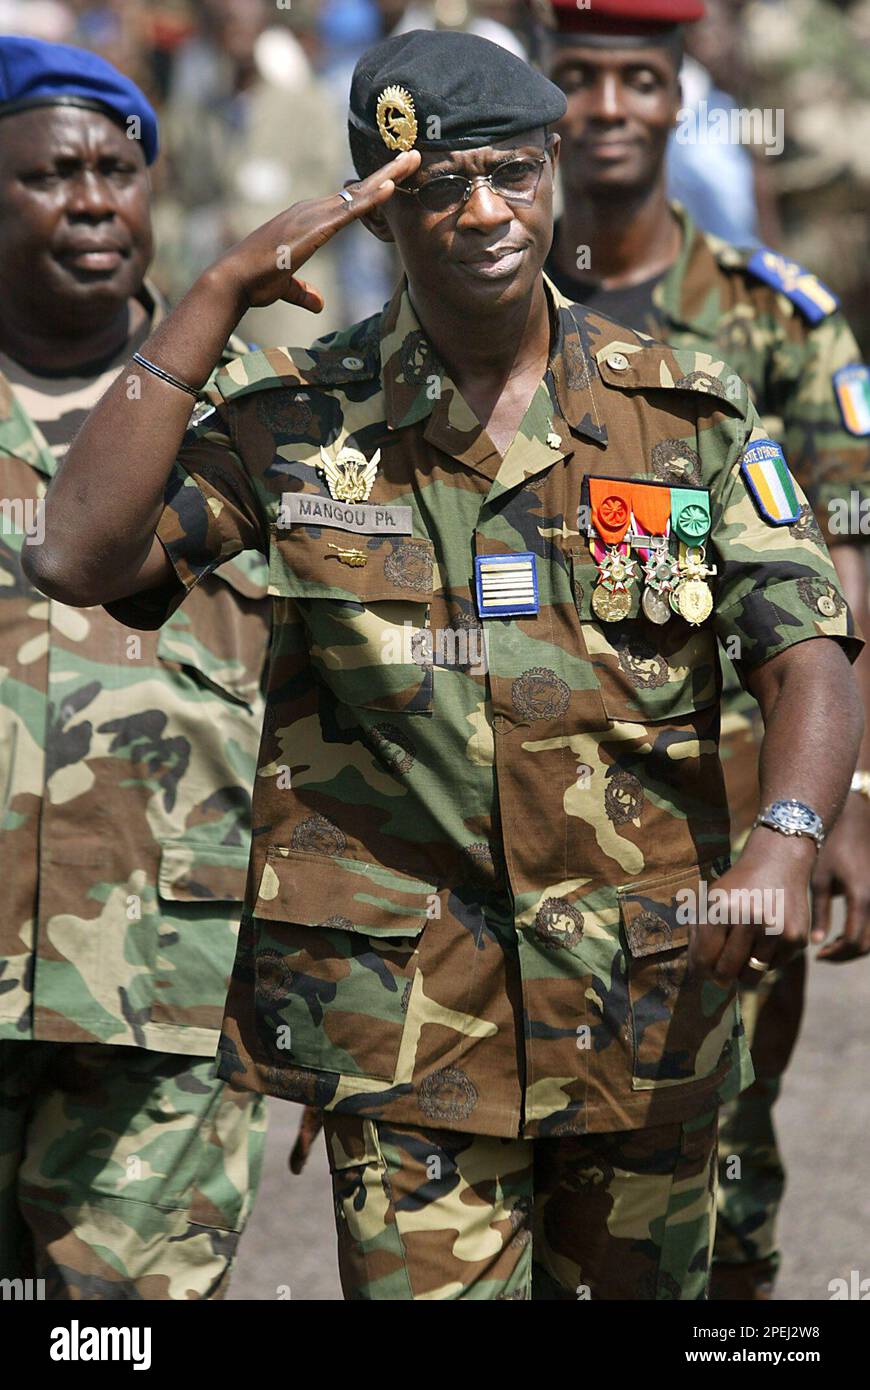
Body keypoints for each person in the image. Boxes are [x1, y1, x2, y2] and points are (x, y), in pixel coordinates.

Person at [26, 29, 864, 1301]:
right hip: (406, 1036)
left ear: (551, 179)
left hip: (642, 1012)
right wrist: (214, 296)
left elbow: (805, 641)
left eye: (514, 174)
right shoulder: (297, 419)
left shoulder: (682, 407)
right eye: (435, 186)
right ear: (375, 204)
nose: (485, 212)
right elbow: (82, 555)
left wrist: (791, 834)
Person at [532, 0, 870, 1300]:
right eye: (578, 78)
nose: (607, 106)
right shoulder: (494, 293)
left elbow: (849, 553)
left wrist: (839, 795)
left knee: (717, 1141)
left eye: (637, 78)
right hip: (535, 796)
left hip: (730, 804)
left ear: (682, 101)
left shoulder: (764, 314)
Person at [0, 37, 269, 1299]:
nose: (97, 199)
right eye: (53, 174)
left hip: (176, 985)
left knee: (110, 1334)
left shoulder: (257, 410)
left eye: (122, 168)